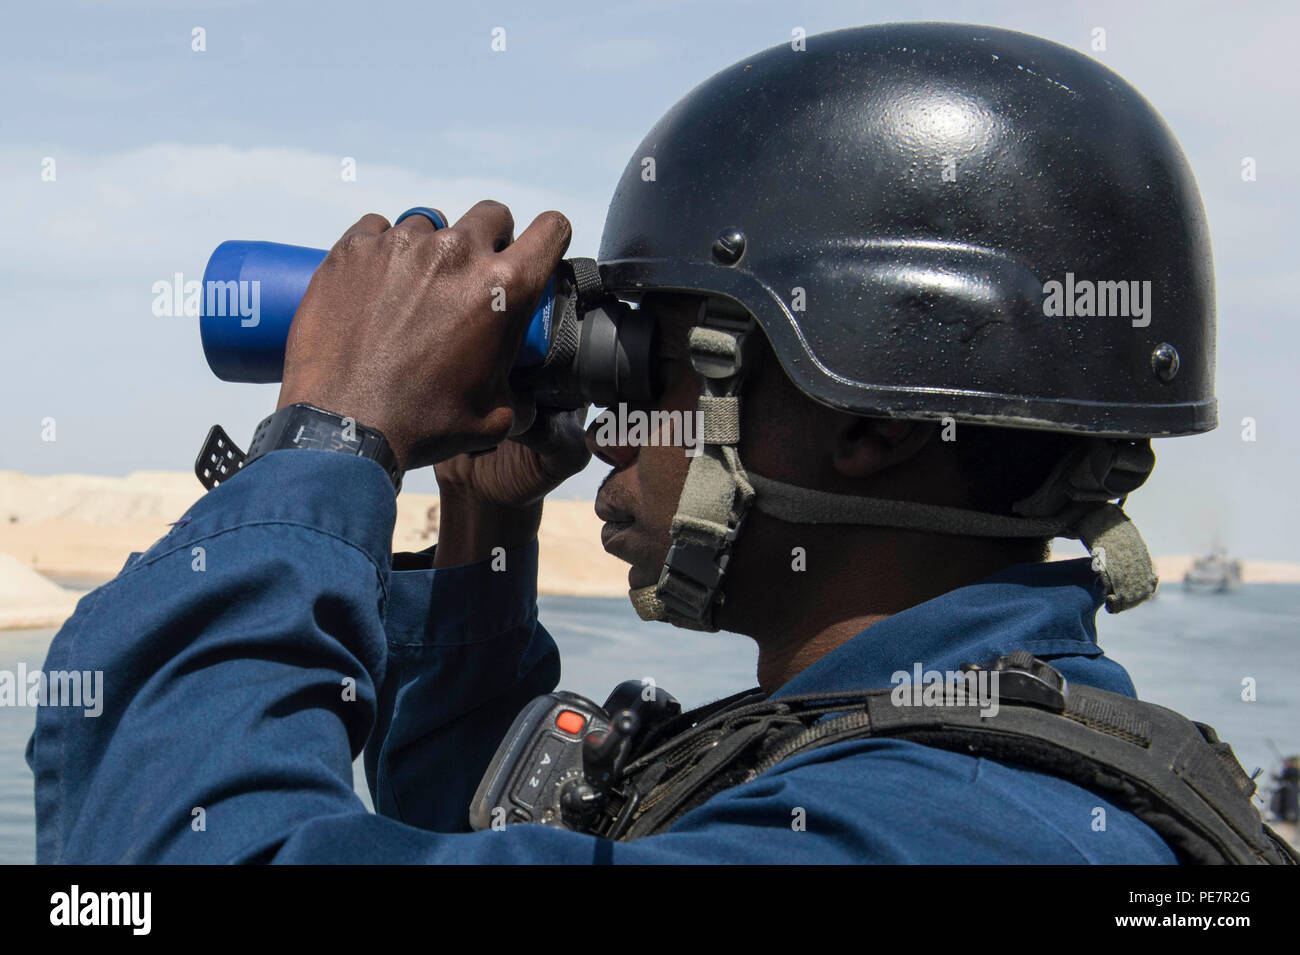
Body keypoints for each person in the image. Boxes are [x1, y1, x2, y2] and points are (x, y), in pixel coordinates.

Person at [28, 23, 1293, 864]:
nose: (610, 405)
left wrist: (329, 435)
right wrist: (480, 529)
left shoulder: (919, 829)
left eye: (666, 350)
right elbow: (505, 837)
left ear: (857, 426)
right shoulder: (926, 754)